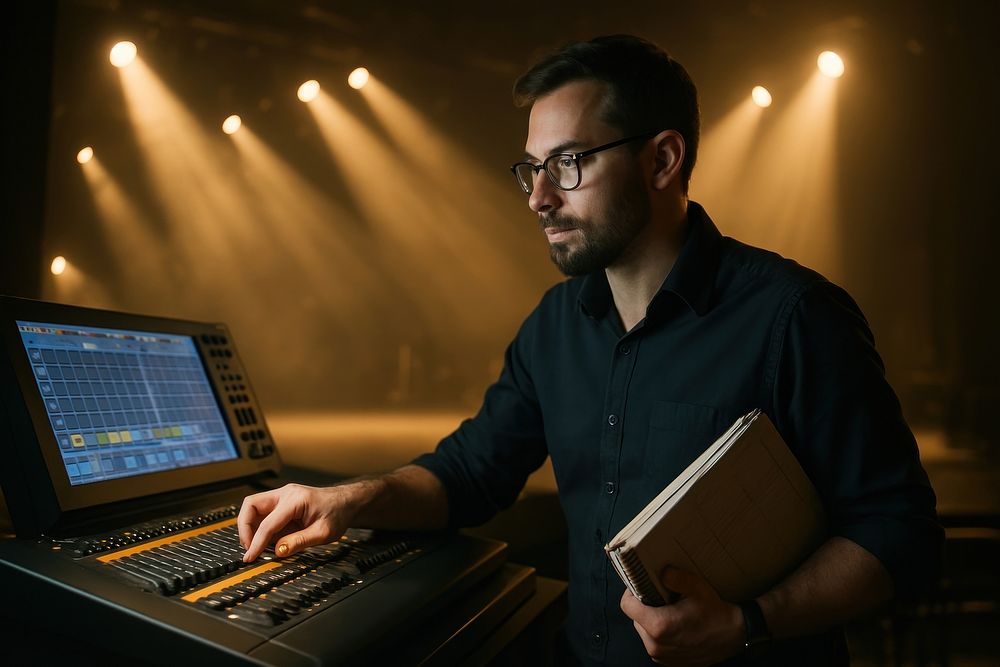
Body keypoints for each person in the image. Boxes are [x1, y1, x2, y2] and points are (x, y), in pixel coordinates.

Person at [238, 35, 942, 665]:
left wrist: (745, 623)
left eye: (569, 163)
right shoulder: (553, 326)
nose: (539, 197)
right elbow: (470, 472)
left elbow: (898, 532)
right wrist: (348, 497)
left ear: (663, 158)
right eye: (532, 168)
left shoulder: (793, 317)